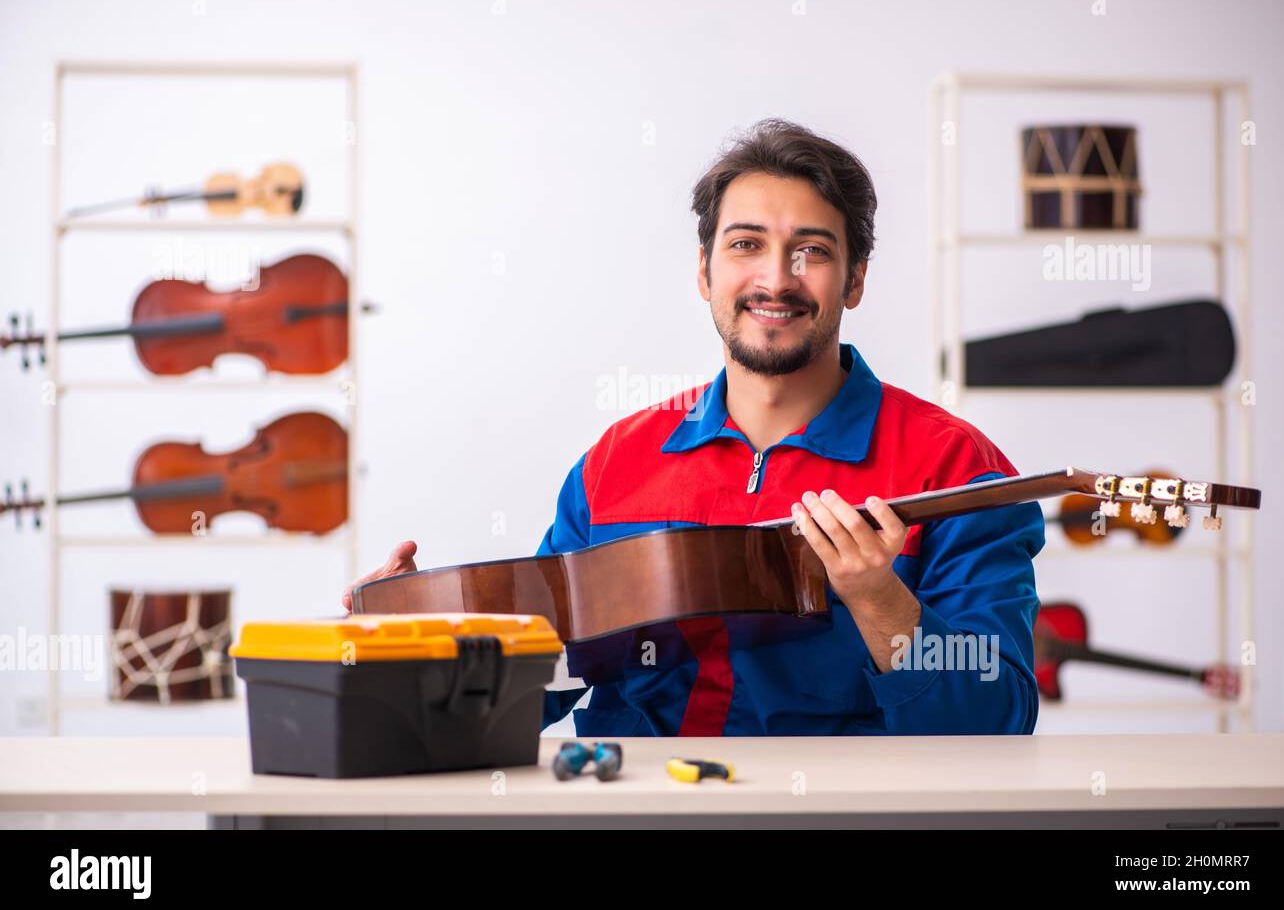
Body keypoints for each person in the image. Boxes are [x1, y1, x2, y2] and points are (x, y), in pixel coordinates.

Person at [345, 118, 1045, 737]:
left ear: (855, 280)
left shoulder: (957, 467)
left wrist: (880, 600)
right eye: (746, 244)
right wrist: (404, 649)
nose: (777, 278)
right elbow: (539, 688)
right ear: (704, 272)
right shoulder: (616, 463)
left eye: (812, 251)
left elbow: (997, 716)